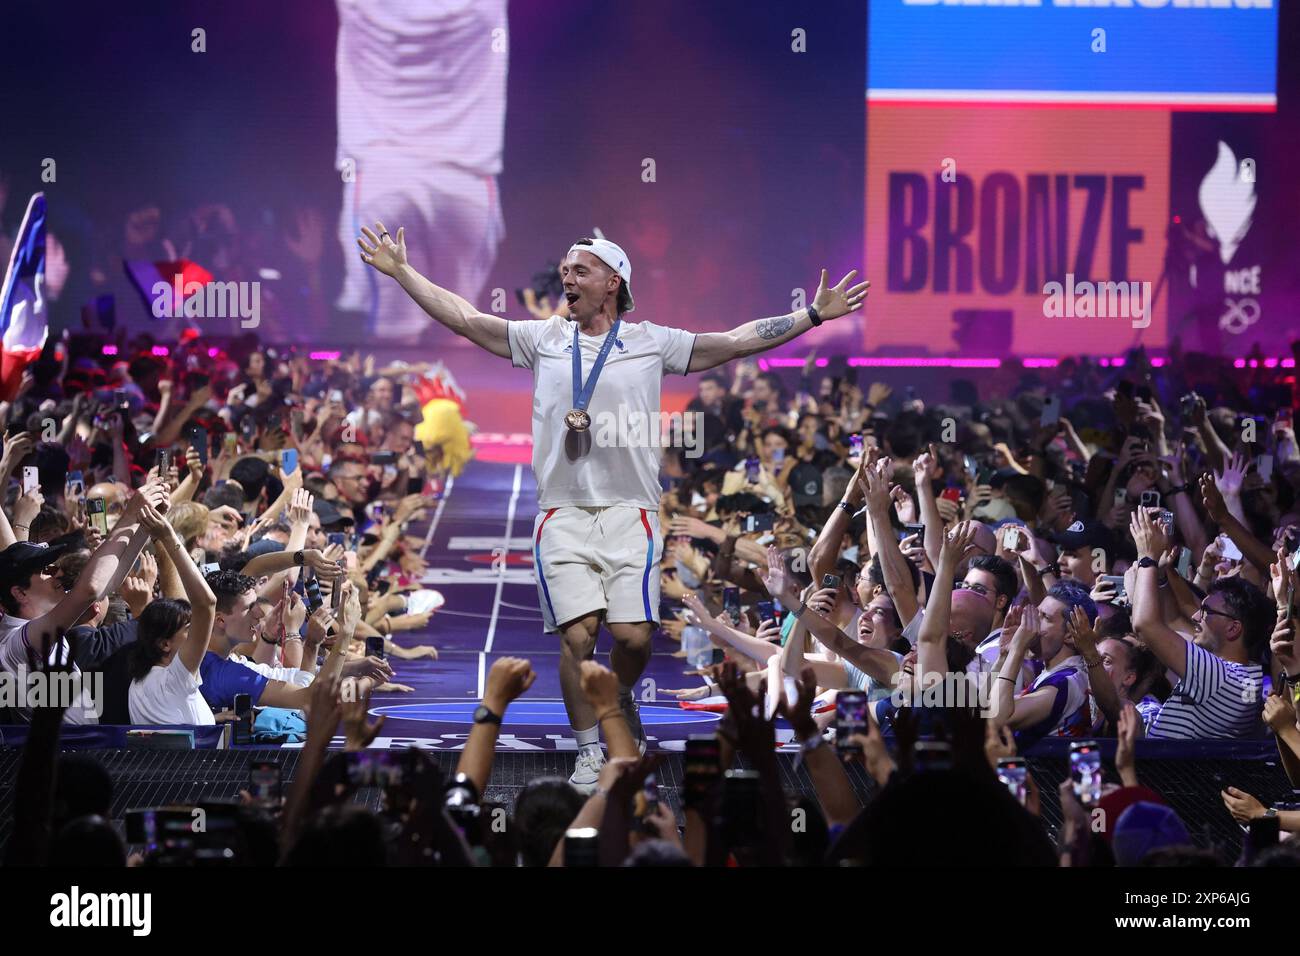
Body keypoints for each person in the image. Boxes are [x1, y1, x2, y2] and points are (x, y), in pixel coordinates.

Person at [357, 222, 869, 789]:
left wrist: (810, 316)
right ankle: (588, 751)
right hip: (562, 513)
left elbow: (735, 341)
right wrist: (403, 272)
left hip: (633, 514)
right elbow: (467, 319)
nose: (566, 278)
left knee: (633, 638)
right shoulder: (543, 338)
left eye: (579, 270)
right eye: (565, 270)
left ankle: (618, 695)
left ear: (612, 282)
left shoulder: (651, 342)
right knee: (578, 637)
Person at [127, 503, 218, 725]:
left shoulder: (138, 683)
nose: (198, 633)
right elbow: (206, 604)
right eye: (189, 629)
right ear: (165, 644)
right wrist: (168, 537)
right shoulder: (176, 678)